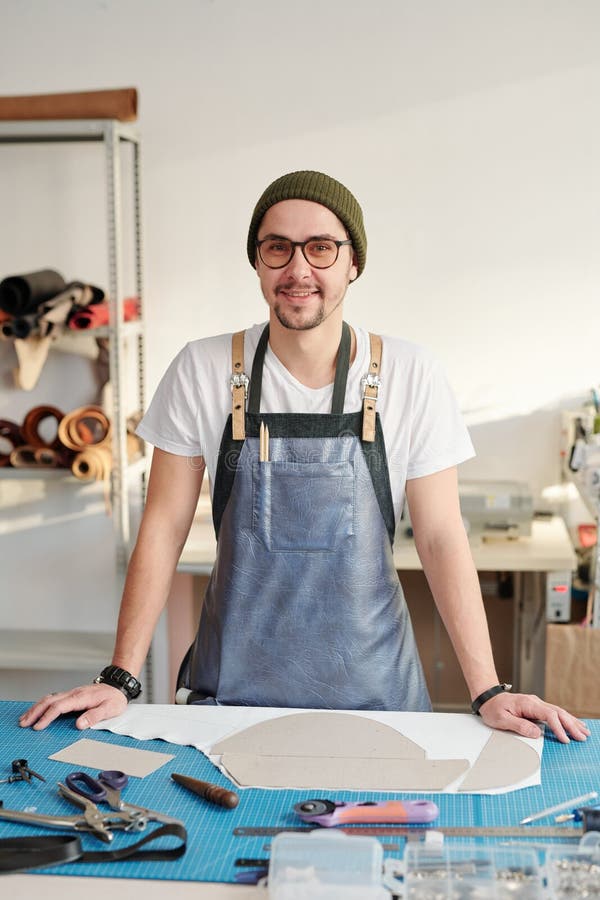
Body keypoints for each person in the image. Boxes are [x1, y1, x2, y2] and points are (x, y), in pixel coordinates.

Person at [20, 170, 589, 745]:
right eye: (277, 248)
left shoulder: (409, 373)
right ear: (258, 261)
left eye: (321, 248)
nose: (299, 270)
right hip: (229, 702)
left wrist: (487, 690)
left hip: (378, 701)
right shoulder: (203, 368)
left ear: (353, 263)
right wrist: (120, 676)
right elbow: (163, 526)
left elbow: (442, 535)